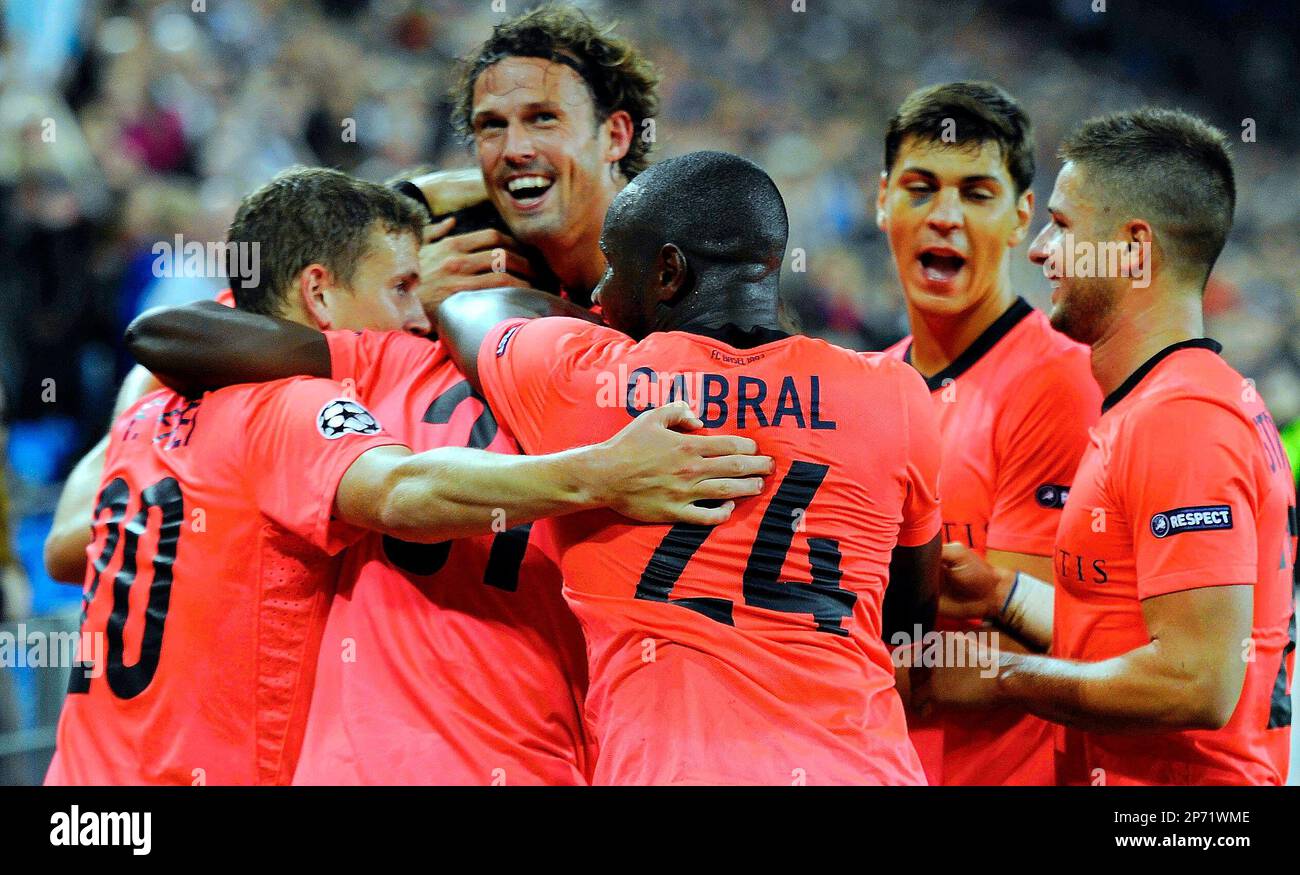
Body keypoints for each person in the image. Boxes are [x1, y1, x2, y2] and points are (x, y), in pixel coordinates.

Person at [46, 167, 769, 785]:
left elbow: (67, 547)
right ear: (319, 293)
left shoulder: (152, 407)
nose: (418, 313)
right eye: (401, 286)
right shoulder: (301, 405)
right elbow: (399, 491)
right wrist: (598, 476)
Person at [432, 150, 943, 785]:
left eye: (614, 267)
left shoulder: (585, 381)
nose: (599, 294)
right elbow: (912, 615)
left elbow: (468, 309)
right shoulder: (895, 393)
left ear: (668, 272)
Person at [928, 108, 1296, 785]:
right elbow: (1126, 629)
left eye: (1063, 226)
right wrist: (1001, 593)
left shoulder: (1181, 418)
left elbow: (1195, 681)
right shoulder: (1167, 402)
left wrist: (1005, 674)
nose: (1039, 249)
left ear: (1132, 249)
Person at [876, 82, 1101, 785]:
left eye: (976, 194)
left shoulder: (1059, 382)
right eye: (920, 188)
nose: (944, 216)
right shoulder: (868, 385)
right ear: (882, 200)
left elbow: (1027, 646)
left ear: (1020, 217)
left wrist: (809, 668)